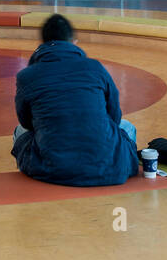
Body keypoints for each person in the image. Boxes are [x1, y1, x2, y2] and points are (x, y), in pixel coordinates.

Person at [11, 14, 140, 187]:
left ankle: (32, 187)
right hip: (111, 169)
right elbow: (115, 116)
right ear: (73, 42)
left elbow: (26, 123)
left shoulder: (27, 76)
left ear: (42, 44)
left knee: (19, 132)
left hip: (53, 169)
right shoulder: (95, 67)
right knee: (128, 127)